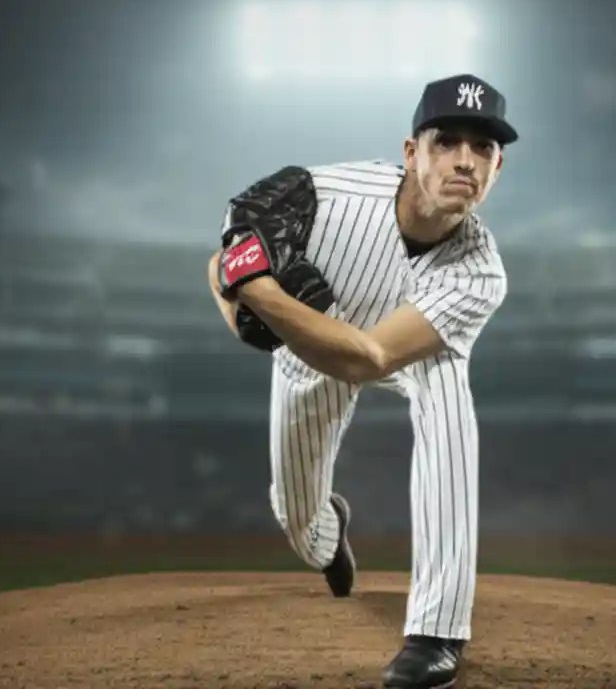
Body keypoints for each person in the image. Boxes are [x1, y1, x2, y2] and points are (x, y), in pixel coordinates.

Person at [207, 73, 516, 688]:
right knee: (296, 515)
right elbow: (222, 263)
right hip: (313, 348)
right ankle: (327, 535)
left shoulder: (480, 273)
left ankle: (437, 631)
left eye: (483, 147)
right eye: (446, 141)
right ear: (411, 152)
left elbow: (372, 357)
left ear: (497, 167)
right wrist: (240, 300)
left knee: (449, 402)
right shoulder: (323, 197)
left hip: (408, 350)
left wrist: (260, 293)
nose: (465, 160)